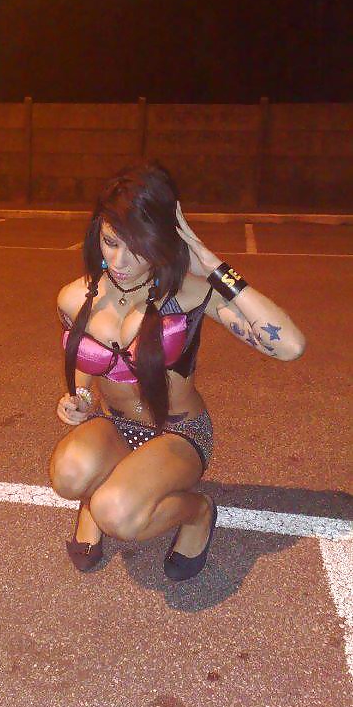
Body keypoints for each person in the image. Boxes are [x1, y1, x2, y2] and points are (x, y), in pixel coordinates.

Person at [49, 161, 305, 580]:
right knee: (67, 474)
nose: (121, 261)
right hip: (116, 424)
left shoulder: (189, 294)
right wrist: (79, 398)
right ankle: (95, 494)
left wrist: (215, 266)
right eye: (111, 242)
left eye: (138, 248)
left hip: (179, 431)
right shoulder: (75, 297)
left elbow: (290, 346)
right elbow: (83, 364)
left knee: (118, 514)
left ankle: (197, 512)